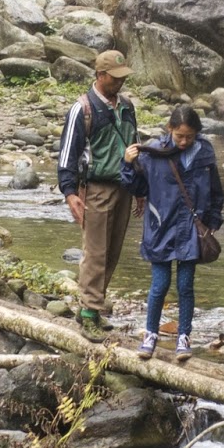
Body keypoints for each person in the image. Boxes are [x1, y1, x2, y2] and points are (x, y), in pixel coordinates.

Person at [120, 104, 224, 361]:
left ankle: (183, 337)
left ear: (197, 133)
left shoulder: (205, 153)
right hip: (160, 226)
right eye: (180, 136)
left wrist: (213, 219)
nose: (184, 141)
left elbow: (215, 190)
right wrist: (127, 163)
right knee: (160, 285)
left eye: (189, 136)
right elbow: (137, 187)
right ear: (170, 130)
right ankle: (150, 335)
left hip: (191, 228)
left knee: (186, 285)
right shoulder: (154, 152)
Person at [57, 50, 140, 335]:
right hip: (96, 188)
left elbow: (135, 146)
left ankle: (92, 306)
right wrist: (70, 193)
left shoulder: (127, 106)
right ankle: (89, 311)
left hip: (126, 185)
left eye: (122, 78)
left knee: (113, 251)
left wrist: (140, 188)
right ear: (100, 76)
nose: (119, 83)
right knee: (95, 251)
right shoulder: (82, 109)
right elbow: (67, 154)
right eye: (115, 78)